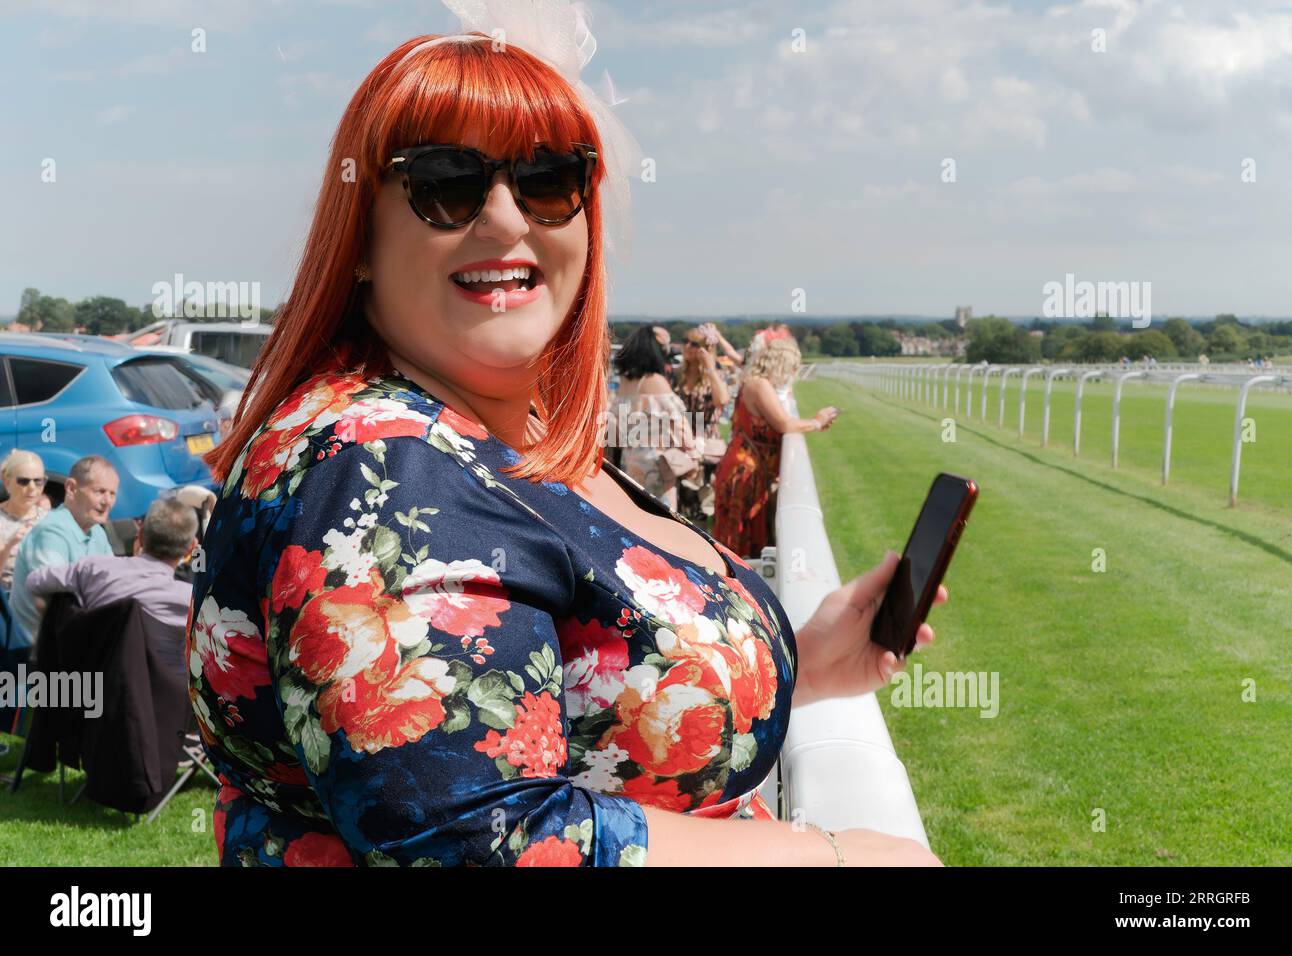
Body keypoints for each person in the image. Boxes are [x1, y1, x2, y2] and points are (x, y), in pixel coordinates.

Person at [189, 5, 945, 868]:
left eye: (548, 179)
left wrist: (798, 662)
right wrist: (834, 857)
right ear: (359, 235)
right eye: (447, 182)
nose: (506, 221)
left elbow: (575, 697)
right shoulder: (379, 466)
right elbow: (477, 841)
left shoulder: (501, 433)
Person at [25, 498, 198, 676]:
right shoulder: (192, 602)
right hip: (160, 690)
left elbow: (34, 581)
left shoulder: (93, 569)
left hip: (89, 682)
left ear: (140, 535)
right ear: (191, 548)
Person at [712, 337, 838, 560]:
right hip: (745, 472)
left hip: (747, 468)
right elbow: (784, 424)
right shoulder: (759, 385)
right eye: (792, 367)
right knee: (739, 541)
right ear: (782, 363)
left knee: (739, 538)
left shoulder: (755, 382)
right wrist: (817, 422)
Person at [9, 455, 119, 653]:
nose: (107, 501)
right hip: (34, 656)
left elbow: (114, 585)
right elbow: (56, 604)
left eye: (112, 494)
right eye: (100, 492)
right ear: (71, 488)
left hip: (73, 644)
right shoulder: (50, 531)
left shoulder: (97, 533)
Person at [612, 325, 702, 511]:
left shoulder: (626, 381)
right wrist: (693, 454)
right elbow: (679, 424)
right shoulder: (655, 381)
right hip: (656, 464)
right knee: (662, 514)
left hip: (630, 461)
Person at [675, 325, 732, 524]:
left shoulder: (715, 375)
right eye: (685, 342)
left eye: (694, 344)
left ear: (706, 349)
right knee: (678, 509)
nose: (687, 347)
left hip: (707, 447)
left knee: (703, 510)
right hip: (680, 445)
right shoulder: (677, 374)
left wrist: (710, 367)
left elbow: (722, 401)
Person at [0, 450, 52, 592]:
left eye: (38, 481)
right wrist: (8, 546)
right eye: (23, 481)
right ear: (7, 482)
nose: (32, 488)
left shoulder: (49, 519)